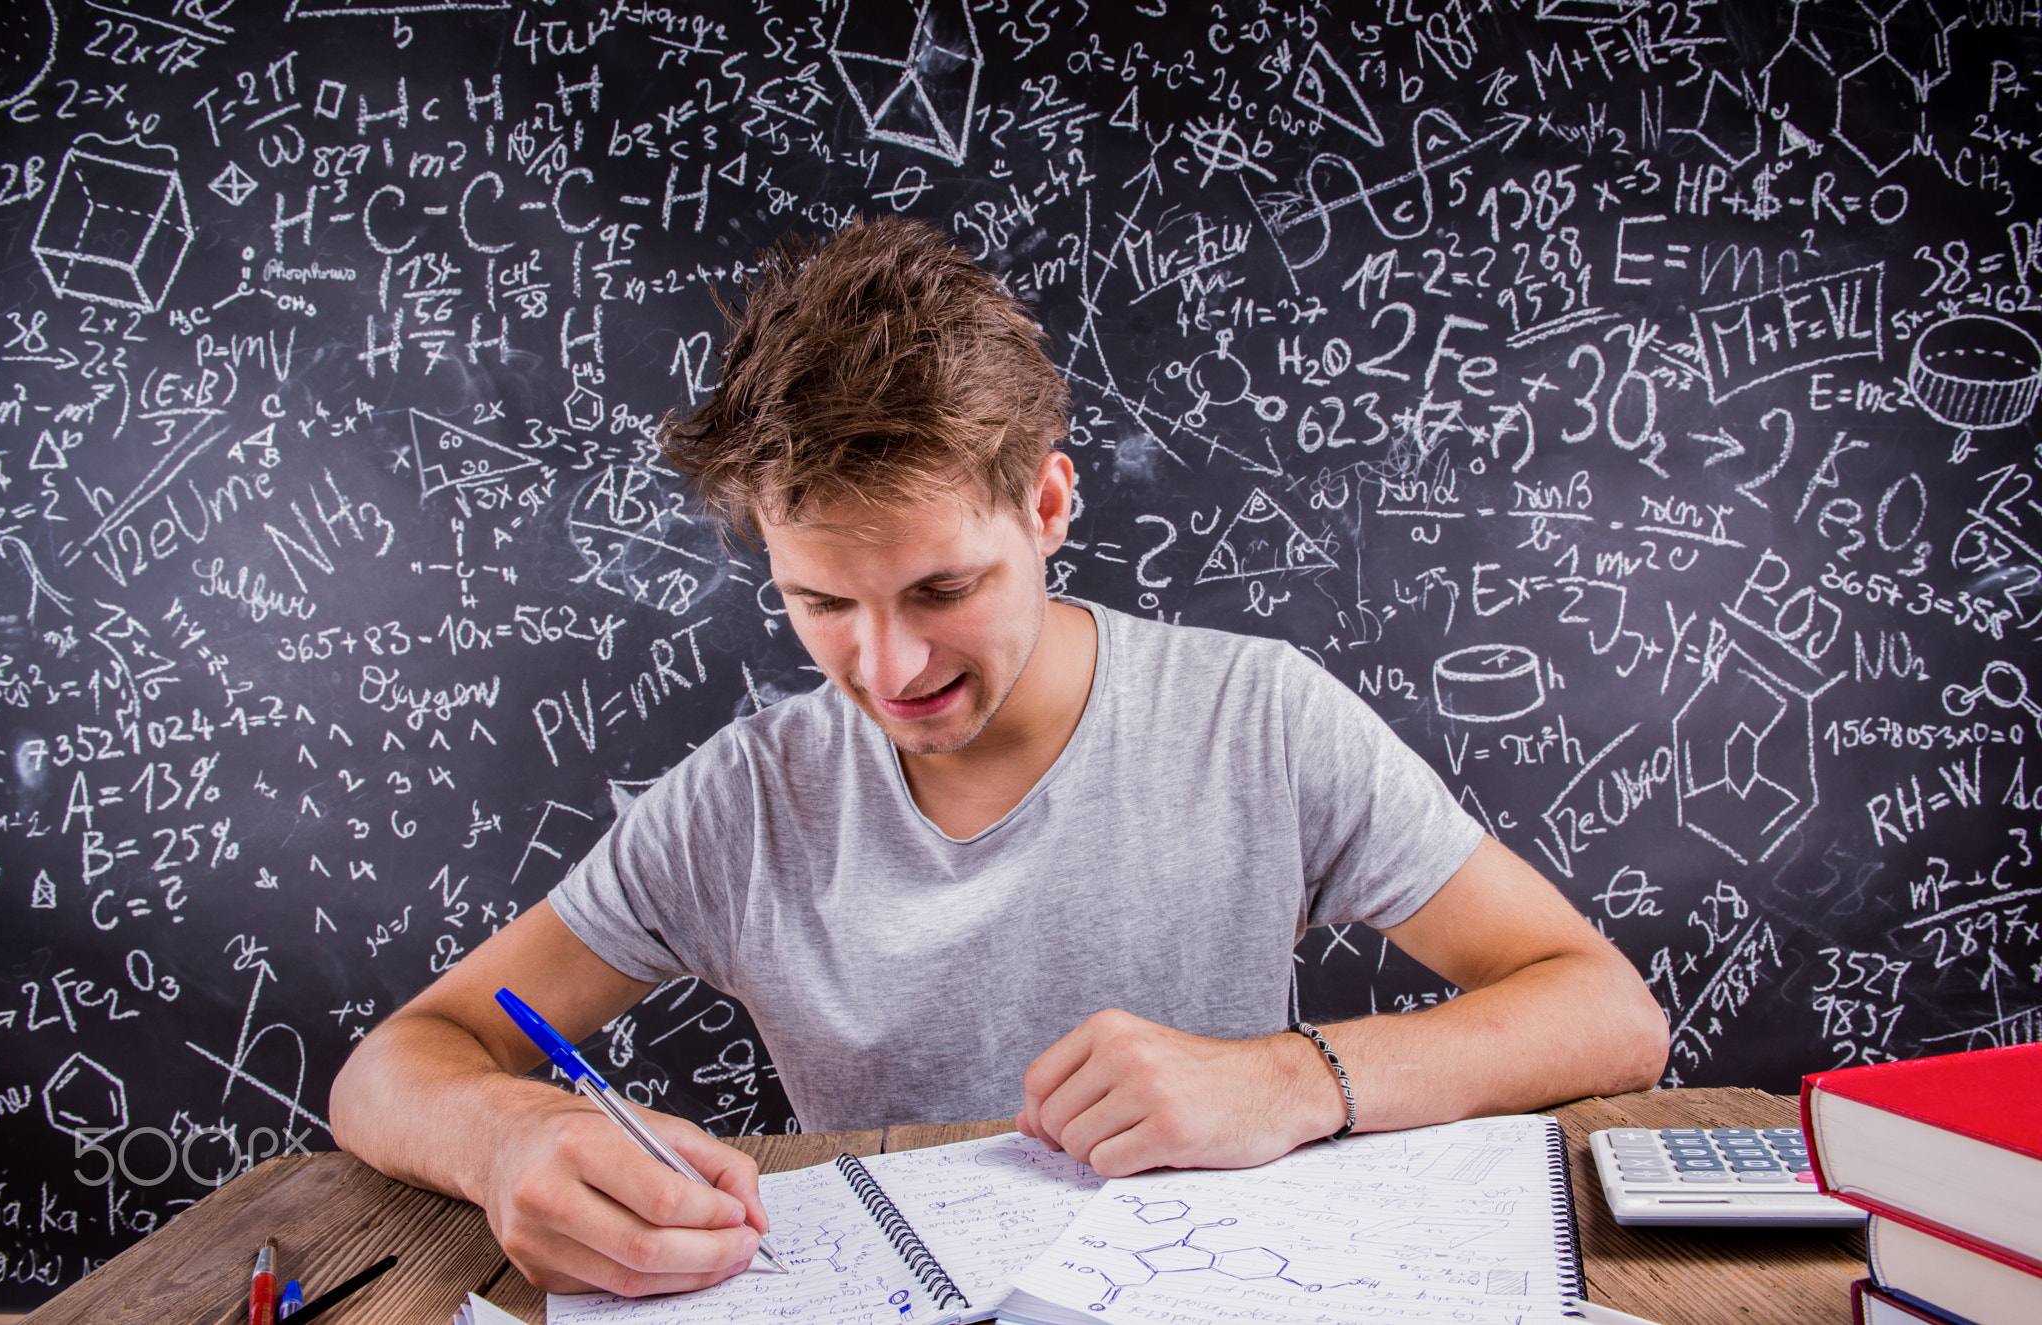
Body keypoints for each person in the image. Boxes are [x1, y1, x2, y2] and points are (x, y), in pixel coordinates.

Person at [329, 216, 1668, 1299]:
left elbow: (1608, 1012)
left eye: (940, 588)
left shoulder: (1258, 716)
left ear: (1046, 501)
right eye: (823, 605)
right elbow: (399, 1062)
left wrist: (1292, 1076)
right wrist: (514, 1137)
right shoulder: (742, 802)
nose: (891, 669)